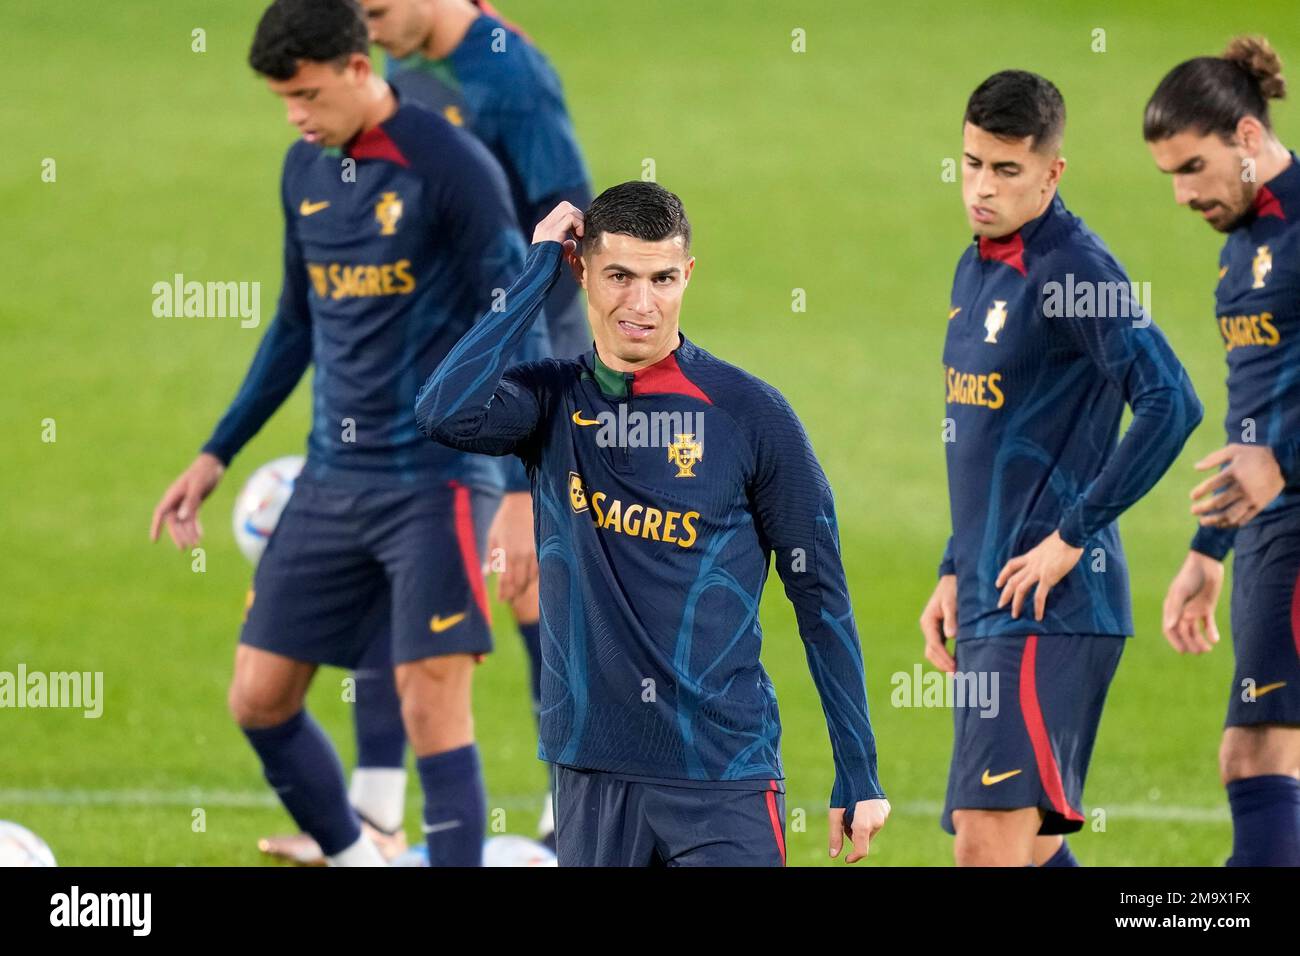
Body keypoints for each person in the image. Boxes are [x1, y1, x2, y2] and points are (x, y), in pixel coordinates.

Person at [149, 0, 545, 866]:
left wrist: (519, 493)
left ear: (360, 70)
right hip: (331, 480)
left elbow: (520, 323)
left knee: (432, 707)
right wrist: (219, 451)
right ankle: (364, 858)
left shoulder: (452, 169)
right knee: (258, 699)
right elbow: (294, 325)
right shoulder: (304, 170)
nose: (296, 114)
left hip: (437, 481)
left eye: (307, 93)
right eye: (282, 99)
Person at [415, 182, 890, 866]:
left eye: (663, 278)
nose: (642, 304)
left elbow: (820, 596)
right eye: (619, 277)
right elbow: (442, 411)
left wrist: (859, 767)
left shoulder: (750, 415)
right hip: (591, 770)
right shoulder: (550, 402)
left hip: (724, 774)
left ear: (687, 275)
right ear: (581, 271)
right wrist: (536, 272)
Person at [259, 0, 593, 863]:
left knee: (528, 584)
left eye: (375, 10)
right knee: (414, 607)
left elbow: (568, 238)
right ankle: (377, 815)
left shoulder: (506, 73)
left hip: (519, 364)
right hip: (433, 385)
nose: (364, 30)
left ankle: (577, 808)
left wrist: (524, 416)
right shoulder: (396, 73)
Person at [920, 70, 1202, 866]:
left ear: (1053, 172)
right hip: (990, 594)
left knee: (986, 845)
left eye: (1007, 170)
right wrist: (953, 566)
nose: (982, 187)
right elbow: (985, 438)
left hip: (1052, 605)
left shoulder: (1074, 268)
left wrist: (1074, 534)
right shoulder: (976, 265)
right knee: (1027, 851)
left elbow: (1171, 401)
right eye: (972, 163)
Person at [1146, 35, 1300, 866]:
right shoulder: (1239, 250)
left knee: (1257, 752)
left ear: (1246, 137)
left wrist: (1287, 459)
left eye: (1192, 168)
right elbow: (1252, 417)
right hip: (1272, 529)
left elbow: (1276, 443)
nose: (1180, 194)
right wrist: (1210, 549)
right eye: (1169, 175)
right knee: (1256, 753)